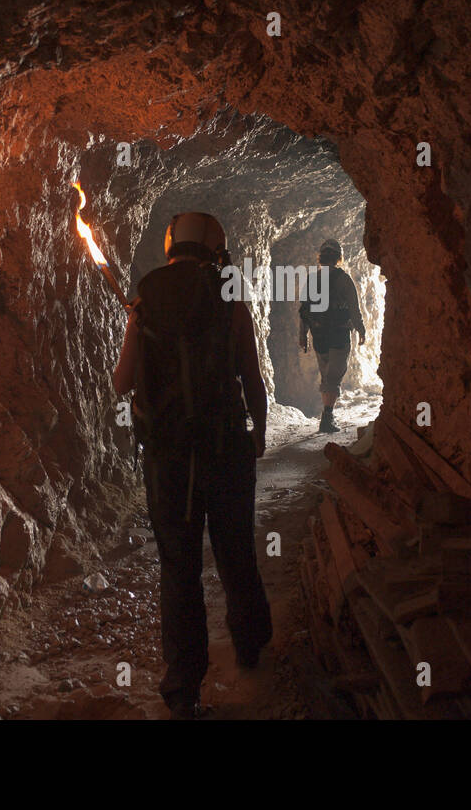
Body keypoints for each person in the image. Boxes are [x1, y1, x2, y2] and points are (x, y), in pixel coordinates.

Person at [112, 211, 272, 720]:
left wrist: (140, 327)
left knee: (179, 570)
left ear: (170, 245)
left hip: (169, 459)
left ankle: (183, 691)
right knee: (235, 554)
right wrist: (259, 434)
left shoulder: (146, 298)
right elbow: (251, 374)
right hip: (226, 450)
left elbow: (121, 383)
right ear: (216, 249)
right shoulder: (230, 297)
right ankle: (250, 647)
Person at [299, 238, 367, 434]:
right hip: (338, 334)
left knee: (326, 376)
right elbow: (354, 309)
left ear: (320, 258)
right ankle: (327, 416)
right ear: (339, 258)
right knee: (333, 378)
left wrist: (303, 335)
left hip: (319, 334)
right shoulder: (344, 279)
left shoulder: (312, 279)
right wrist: (361, 330)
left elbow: (304, 311)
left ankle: (327, 414)